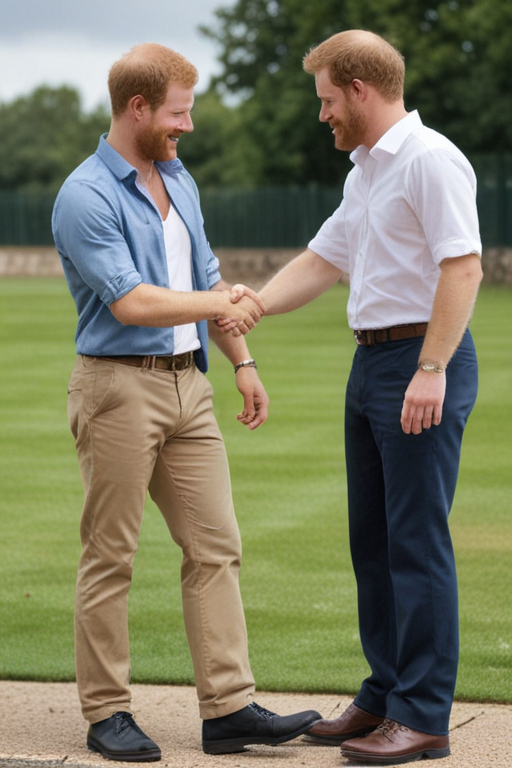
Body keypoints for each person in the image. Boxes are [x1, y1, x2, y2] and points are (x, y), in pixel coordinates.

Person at [51, 43, 320, 762]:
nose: (188, 126)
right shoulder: (85, 195)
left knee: (216, 547)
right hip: (116, 386)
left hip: (188, 382)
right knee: (111, 555)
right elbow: (135, 302)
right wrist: (224, 300)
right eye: (179, 112)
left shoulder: (178, 177)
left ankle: (228, 709)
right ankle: (107, 712)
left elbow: (204, 271)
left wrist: (242, 359)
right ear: (137, 107)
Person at [230, 29, 483, 765]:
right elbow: (324, 257)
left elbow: (462, 268)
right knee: (371, 543)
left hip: (418, 359)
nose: (323, 115)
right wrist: (255, 308)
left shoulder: (431, 160)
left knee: (416, 542)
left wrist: (431, 368)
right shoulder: (365, 170)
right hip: (370, 362)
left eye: (327, 99)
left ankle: (424, 716)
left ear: (361, 91)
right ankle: (384, 695)